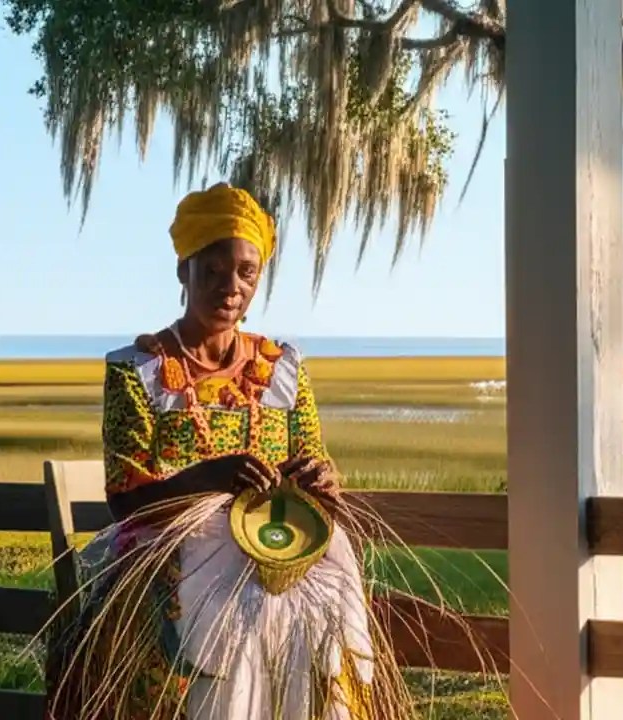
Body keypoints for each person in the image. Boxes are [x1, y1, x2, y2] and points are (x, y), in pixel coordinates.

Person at [44, 183, 405, 720]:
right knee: (224, 597)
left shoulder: (282, 369)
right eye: (211, 269)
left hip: (278, 552)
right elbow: (125, 500)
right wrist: (206, 478)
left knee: (324, 586)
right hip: (173, 546)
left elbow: (314, 461)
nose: (229, 287)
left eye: (245, 272)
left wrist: (320, 481)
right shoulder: (138, 371)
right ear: (183, 270)